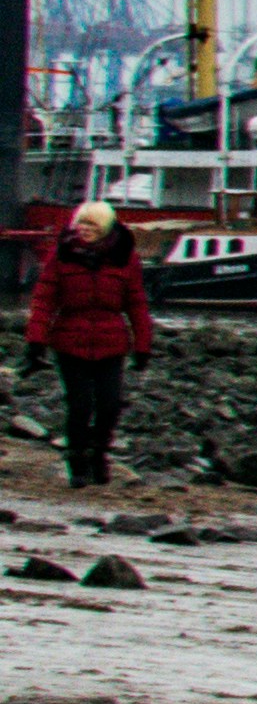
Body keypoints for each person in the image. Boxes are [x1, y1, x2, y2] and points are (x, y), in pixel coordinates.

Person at [24, 203, 155, 491]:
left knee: (110, 405)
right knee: (80, 405)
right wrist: (36, 342)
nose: (83, 230)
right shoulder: (61, 256)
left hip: (111, 342)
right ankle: (77, 461)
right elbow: (44, 301)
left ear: (105, 229)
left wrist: (143, 346)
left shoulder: (125, 259)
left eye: (91, 226)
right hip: (70, 341)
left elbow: (136, 303)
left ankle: (99, 453)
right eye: (80, 224)